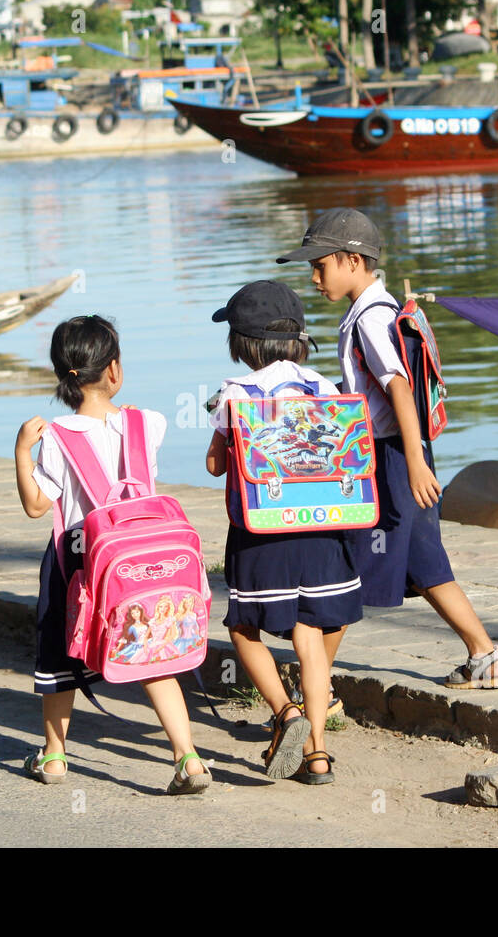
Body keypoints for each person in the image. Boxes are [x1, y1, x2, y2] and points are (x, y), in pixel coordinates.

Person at [278, 209, 498, 690]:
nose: (314, 277)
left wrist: (410, 462)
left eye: (319, 266)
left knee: (348, 572)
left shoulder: (370, 318)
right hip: (402, 452)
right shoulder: (370, 311)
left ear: (350, 260)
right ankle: (485, 656)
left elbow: (400, 388)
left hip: (391, 457)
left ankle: (312, 693)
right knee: (424, 561)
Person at [14, 314, 211, 794]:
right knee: (156, 654)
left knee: (59, 660)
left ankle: (56, 756)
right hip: (143, 562)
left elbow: (37, 507)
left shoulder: (56, 437)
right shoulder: (151, 423)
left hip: (78, 561)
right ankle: (188, 758)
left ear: (64, 376)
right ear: (115, 372)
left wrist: (23, 452)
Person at [205, 280, 362, 783]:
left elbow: (214, 465)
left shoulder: (236, 393)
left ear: (242, 344)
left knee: (243, 626)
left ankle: (284, 712)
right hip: (323, 529)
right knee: (311, 634)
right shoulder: (325, 387)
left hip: (262, 530)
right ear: (298, 339)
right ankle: (317, 752)